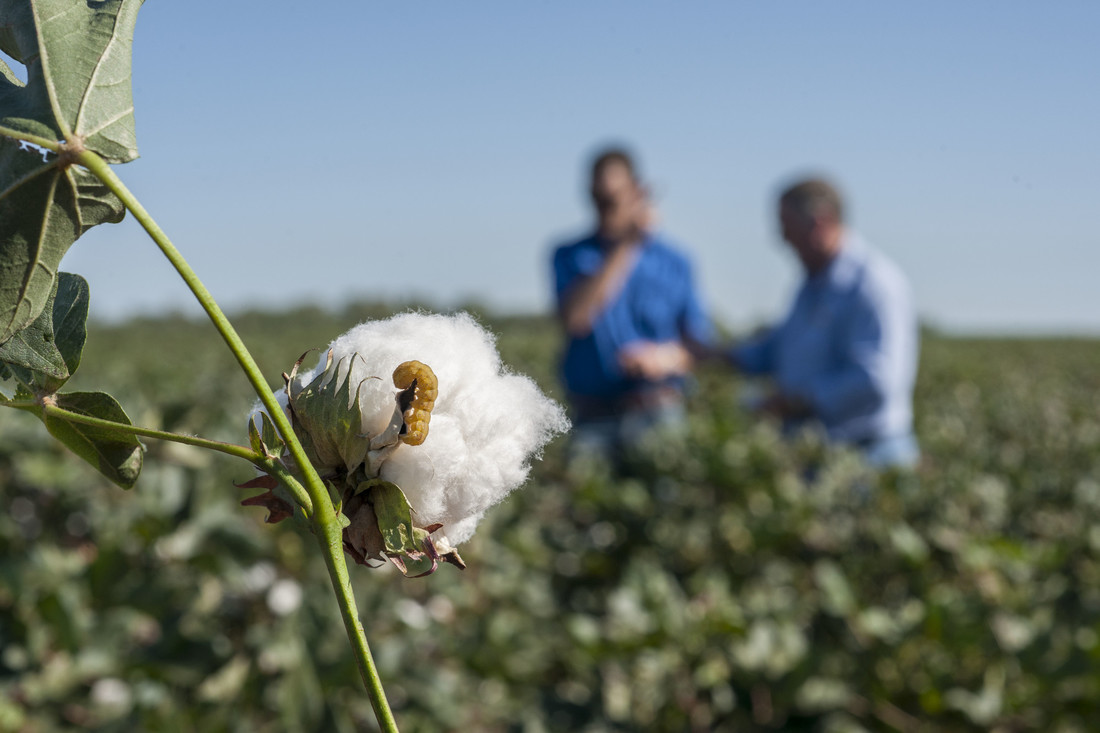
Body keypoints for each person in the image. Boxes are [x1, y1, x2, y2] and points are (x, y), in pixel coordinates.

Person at [729, 177, 920, 468]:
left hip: (869, 456)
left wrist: (797, 401)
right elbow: (782, 347)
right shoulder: (811, 284)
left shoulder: (873, 284)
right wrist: (720, 355)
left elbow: (876, 380)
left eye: (787, 226)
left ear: (821, 222)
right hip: (822, 455)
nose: (782, 239)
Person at [552, 147, 713, 464]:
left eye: (613, 198)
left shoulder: (675, 261)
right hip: (592, 416)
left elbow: (699, 344)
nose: (605, 207)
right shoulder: (568, 255)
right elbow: (576, 318)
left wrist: (663, 358)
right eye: (598, 198)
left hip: (659, 412)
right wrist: (626, 245)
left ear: (638, 192)